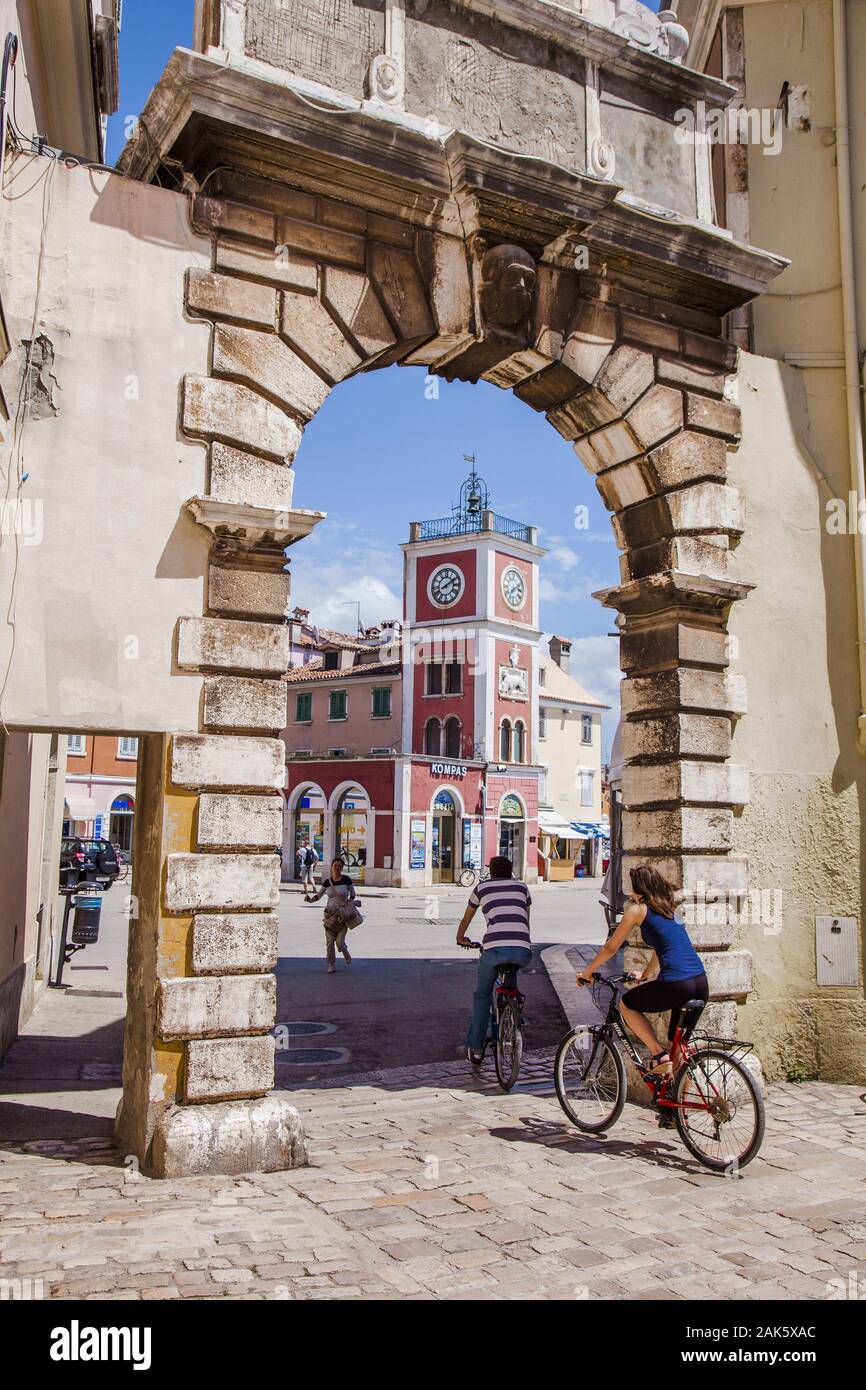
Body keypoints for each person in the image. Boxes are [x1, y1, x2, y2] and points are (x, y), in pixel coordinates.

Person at [576, 862, 709, 1080]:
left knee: (626, 1004)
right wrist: (646, 974)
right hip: (700, 982)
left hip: (676, 984)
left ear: (639, 888)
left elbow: (611, 946)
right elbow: (662, 947)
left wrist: (587, 971)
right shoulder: (669, 909)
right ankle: (676, 1107)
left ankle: (657, 1054)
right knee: (679, 1049)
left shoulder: (637, 910)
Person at [456, 855, 532, 1065]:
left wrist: (460, 937)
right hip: (522, 949)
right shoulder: (522, 888)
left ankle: (477, 1046)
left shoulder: (482, 888)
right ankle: (511, 1016)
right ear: (510, 871)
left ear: (492, 872)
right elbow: (525, 919)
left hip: (494, 949)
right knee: (510, 984)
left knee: (482, 995)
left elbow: (466, 917)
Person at [307, 857, 357, 973]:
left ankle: (344, 950)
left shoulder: (346, 880)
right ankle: (331, 964)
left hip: (343, 916)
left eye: (339, 866)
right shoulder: (327, 882)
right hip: (329, 915)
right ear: (332, 867)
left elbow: (353, 894)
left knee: (339, 942)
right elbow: (318, 895)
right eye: (335, 865)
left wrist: (349, 902)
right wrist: (310, 900)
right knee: (330, 942)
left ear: (342, 867)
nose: (337, 867)